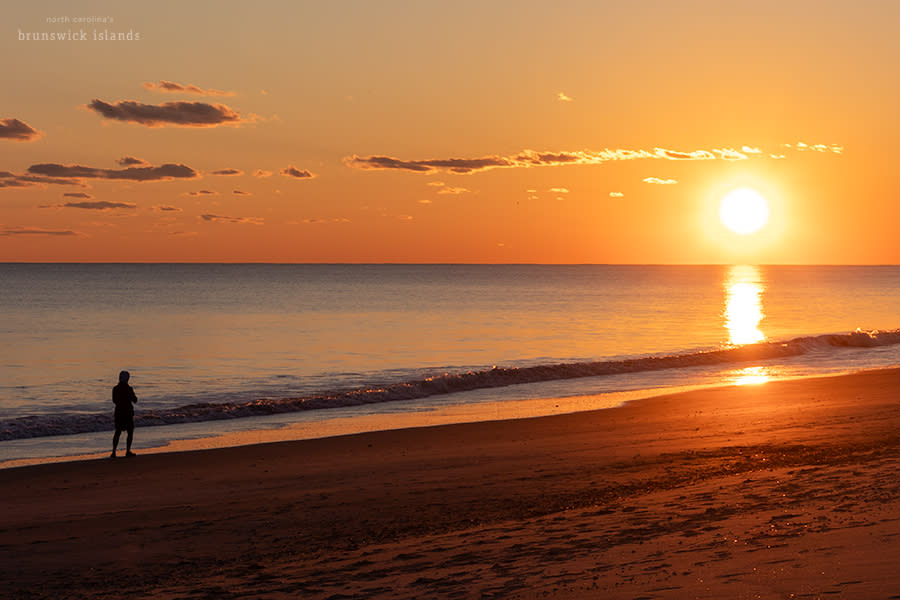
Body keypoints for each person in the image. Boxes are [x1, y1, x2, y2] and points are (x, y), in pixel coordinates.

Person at [111, 370, 138, 458]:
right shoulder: (129, 389)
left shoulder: (115, 389)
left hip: (118, 412)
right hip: (128, 412)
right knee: (130, 432)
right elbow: (135, 400)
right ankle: (128, 451)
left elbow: (114, 401)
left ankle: (114, 452)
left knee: (117, 432)